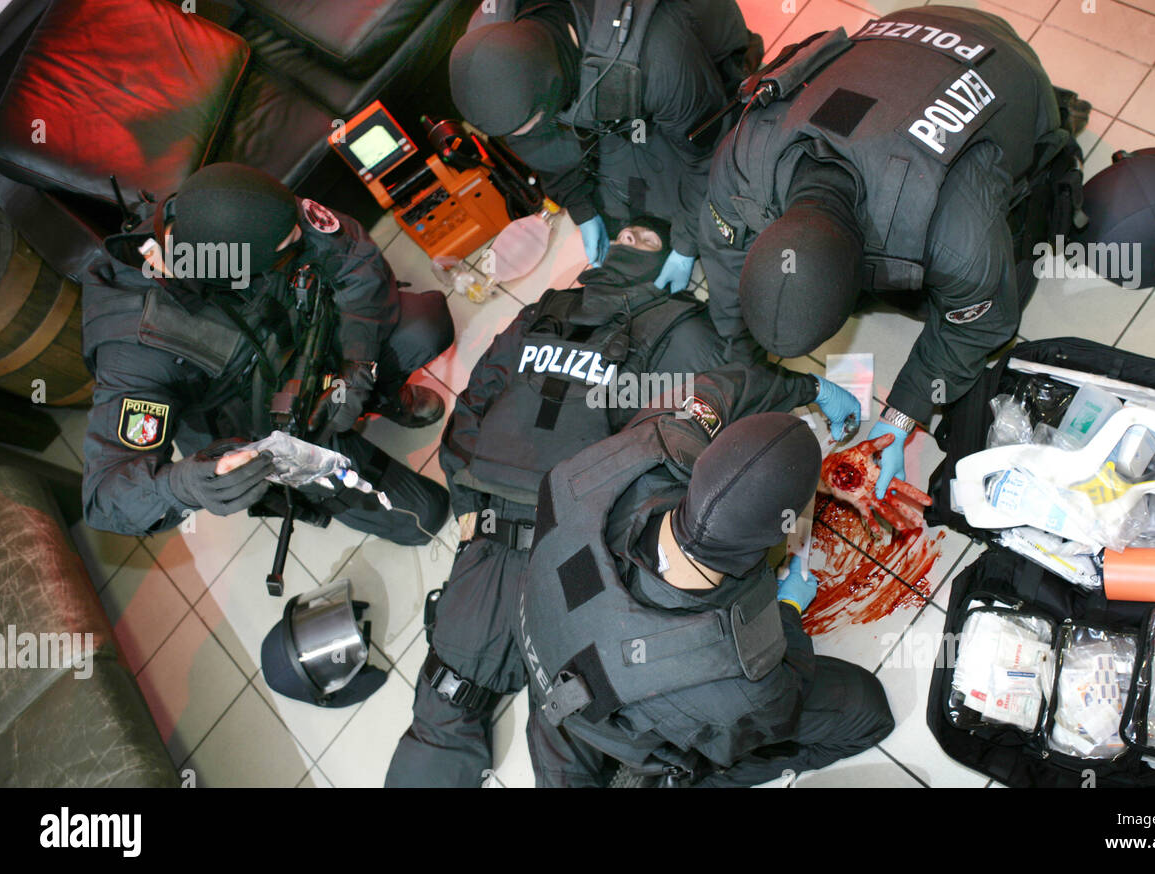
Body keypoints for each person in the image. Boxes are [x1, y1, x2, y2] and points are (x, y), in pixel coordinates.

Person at [384, 217, 863, 786]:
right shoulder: (542, 312)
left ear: (670, 262)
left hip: (584, 558)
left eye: (645, 238)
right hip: (498, 540)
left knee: (575, 739)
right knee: (444, 700)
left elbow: (730, 385)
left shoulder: (675, 328)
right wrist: (465, 495)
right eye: (625, 235)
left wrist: (806, 390)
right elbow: (474, 399)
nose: (628, 242)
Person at [698, 5, 1086, 500]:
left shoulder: (950, 232)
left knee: (1005, 269)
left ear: (862, 275)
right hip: (901, 28)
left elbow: (981, 325)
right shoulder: (745, 153)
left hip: (1006, 67)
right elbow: (723, 246)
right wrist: (744, 370)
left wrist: (904, 412)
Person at [518, 398, 895, 787]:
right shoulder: (735, 679)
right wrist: (786, 610)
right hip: (615, 704)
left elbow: (722, 390)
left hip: (554, 651)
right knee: (867, 713)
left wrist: (812, 387)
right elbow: (783, 702)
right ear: (776, 536)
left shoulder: (634, 452)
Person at [81, 163, 455, 546]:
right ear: (230, 268)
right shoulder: (135, 343)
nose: (299, 235)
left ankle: (380, 398)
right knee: (426, 517)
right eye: (286, 241)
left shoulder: (239, 207)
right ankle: (325, 477)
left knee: (425, 326)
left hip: (307, 343)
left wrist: (357, 364)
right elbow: (103, 495)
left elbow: (355, 257)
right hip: (258, 421)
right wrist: (180, 487)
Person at [449, 0, 760, 293]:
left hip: (698, 55)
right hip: (617, 88)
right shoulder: (490, 46)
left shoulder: (656, 58)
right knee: (617, 209)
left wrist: (685, 246)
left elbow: (709, 155)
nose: (522, 135)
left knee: (719, 214)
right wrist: (581, 209)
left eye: (528, 126)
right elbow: (541, 150)